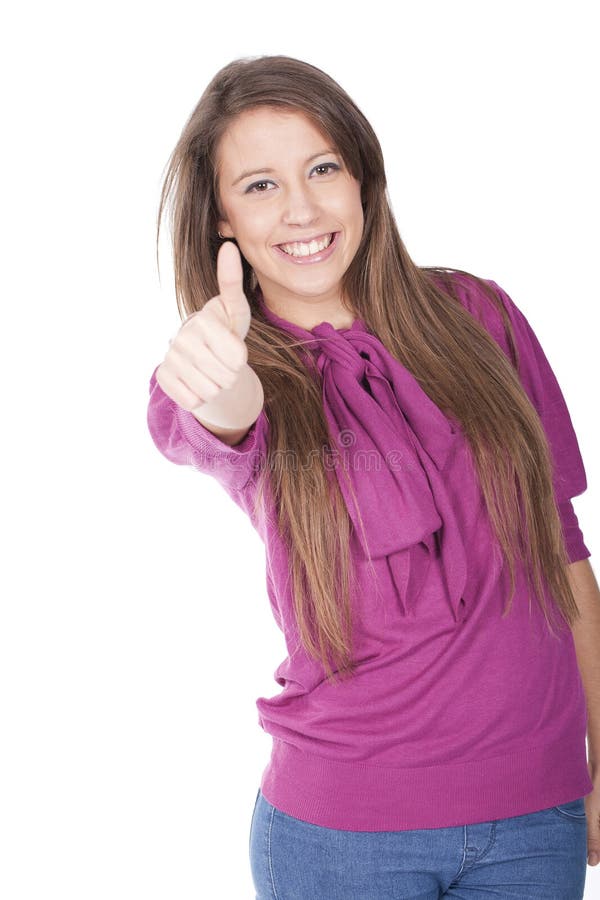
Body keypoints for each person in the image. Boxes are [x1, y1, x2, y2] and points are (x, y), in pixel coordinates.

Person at [146, 55, 599, 899]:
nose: (303, 208)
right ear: (222, 221)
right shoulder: (232, 373)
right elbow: (212, 421)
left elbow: (562, 550)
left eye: (322, 168)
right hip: (342, 838)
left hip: (539, 816)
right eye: (260, 186)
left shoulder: (481, 315)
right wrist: (225, 383)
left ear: (363, 178)